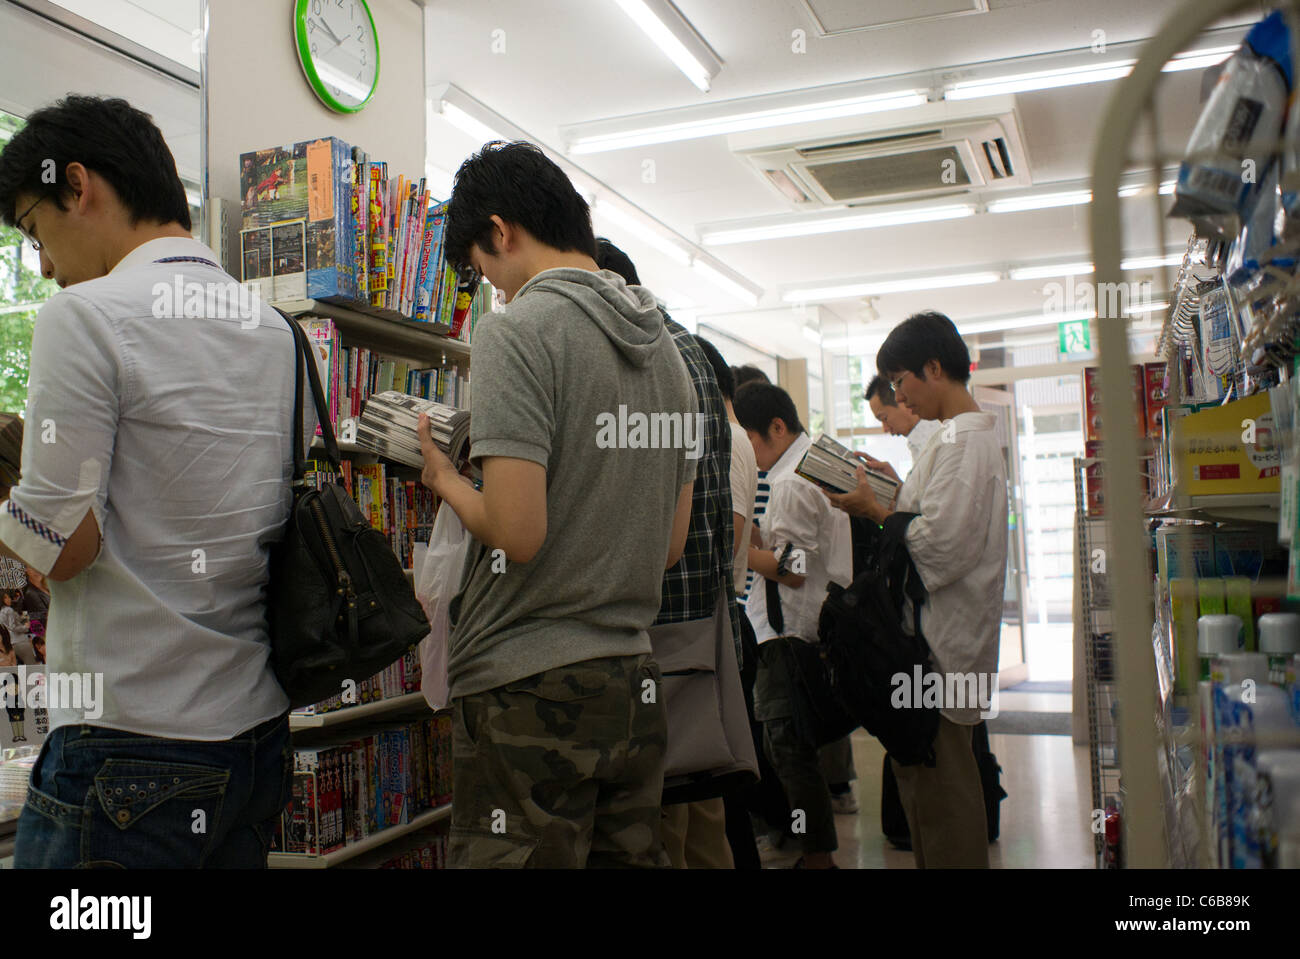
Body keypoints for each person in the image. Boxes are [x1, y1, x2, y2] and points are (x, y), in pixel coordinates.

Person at [0, 95, 301, 868]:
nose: (44, 265)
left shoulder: (86, 316)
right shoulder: (276, 330)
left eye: (35, 229)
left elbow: (62, 547)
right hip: (252, 735)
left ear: (78, 185)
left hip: (126, 746)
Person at [422, 141, 697, 869]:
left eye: (485, 272)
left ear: (501, 230)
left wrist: (448, 479)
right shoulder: (672, 357)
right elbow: (670, 546)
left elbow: (518, 531)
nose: (495, 292)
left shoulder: (518, 333)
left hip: (527, 687)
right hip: (633, 681)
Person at [593, 239, 756, 870]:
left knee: (655, 815)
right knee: (701, 804)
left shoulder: (639, 354)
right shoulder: (687, 348)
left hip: (653, 623)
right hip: (702, 619)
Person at [824, 310, 1007, 869]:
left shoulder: (964, 445)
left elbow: (942, 548)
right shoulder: (951, 442)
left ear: (933, 368)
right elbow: (929, 514)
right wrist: (891, 493)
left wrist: (875, 510)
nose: (900, 396)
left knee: (946, 798)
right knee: (927, 795)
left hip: (944, 652)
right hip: (933, 647)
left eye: (901, 381)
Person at [734, 382, 852, 869]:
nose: (748, 453)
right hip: (815, 630)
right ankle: (815, 850)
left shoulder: (788, 482)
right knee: (793, 750)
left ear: (777, 428)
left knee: (789, 752)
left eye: (751, 440)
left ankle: (817, 857)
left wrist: (738, 552)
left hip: (789, 637)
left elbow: (793, 567)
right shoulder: (818, 462)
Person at [864, 374, 942, 468]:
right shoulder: (918, 442)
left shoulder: (938, 440)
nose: (885, 429)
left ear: (902, 400)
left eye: (884, 418)